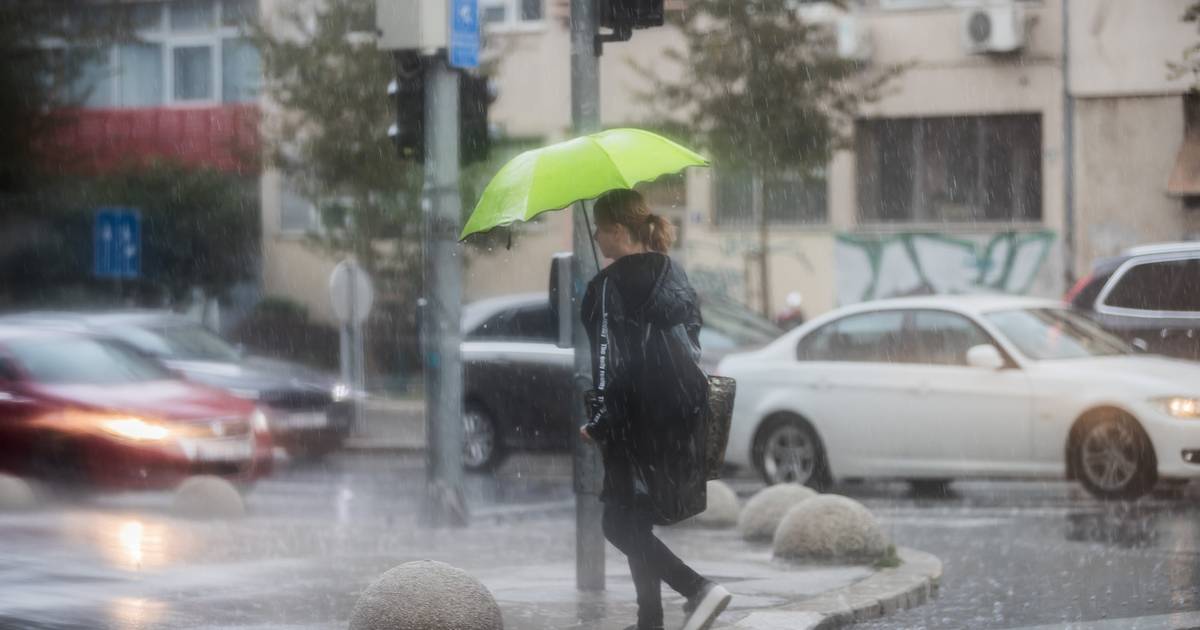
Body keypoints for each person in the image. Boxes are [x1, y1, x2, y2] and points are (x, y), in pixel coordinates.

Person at [579, 189, 732, 630]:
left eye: (600, 228)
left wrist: (599, 420)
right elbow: (692, 343)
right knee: (635, 519)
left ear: (618, 230)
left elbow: (609, 361)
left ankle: (698, 588)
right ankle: (650, 620)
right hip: (681, 414)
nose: (596, 236)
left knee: (616, 523)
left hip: (633, 420)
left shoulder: (607, 287)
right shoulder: (673, 272)